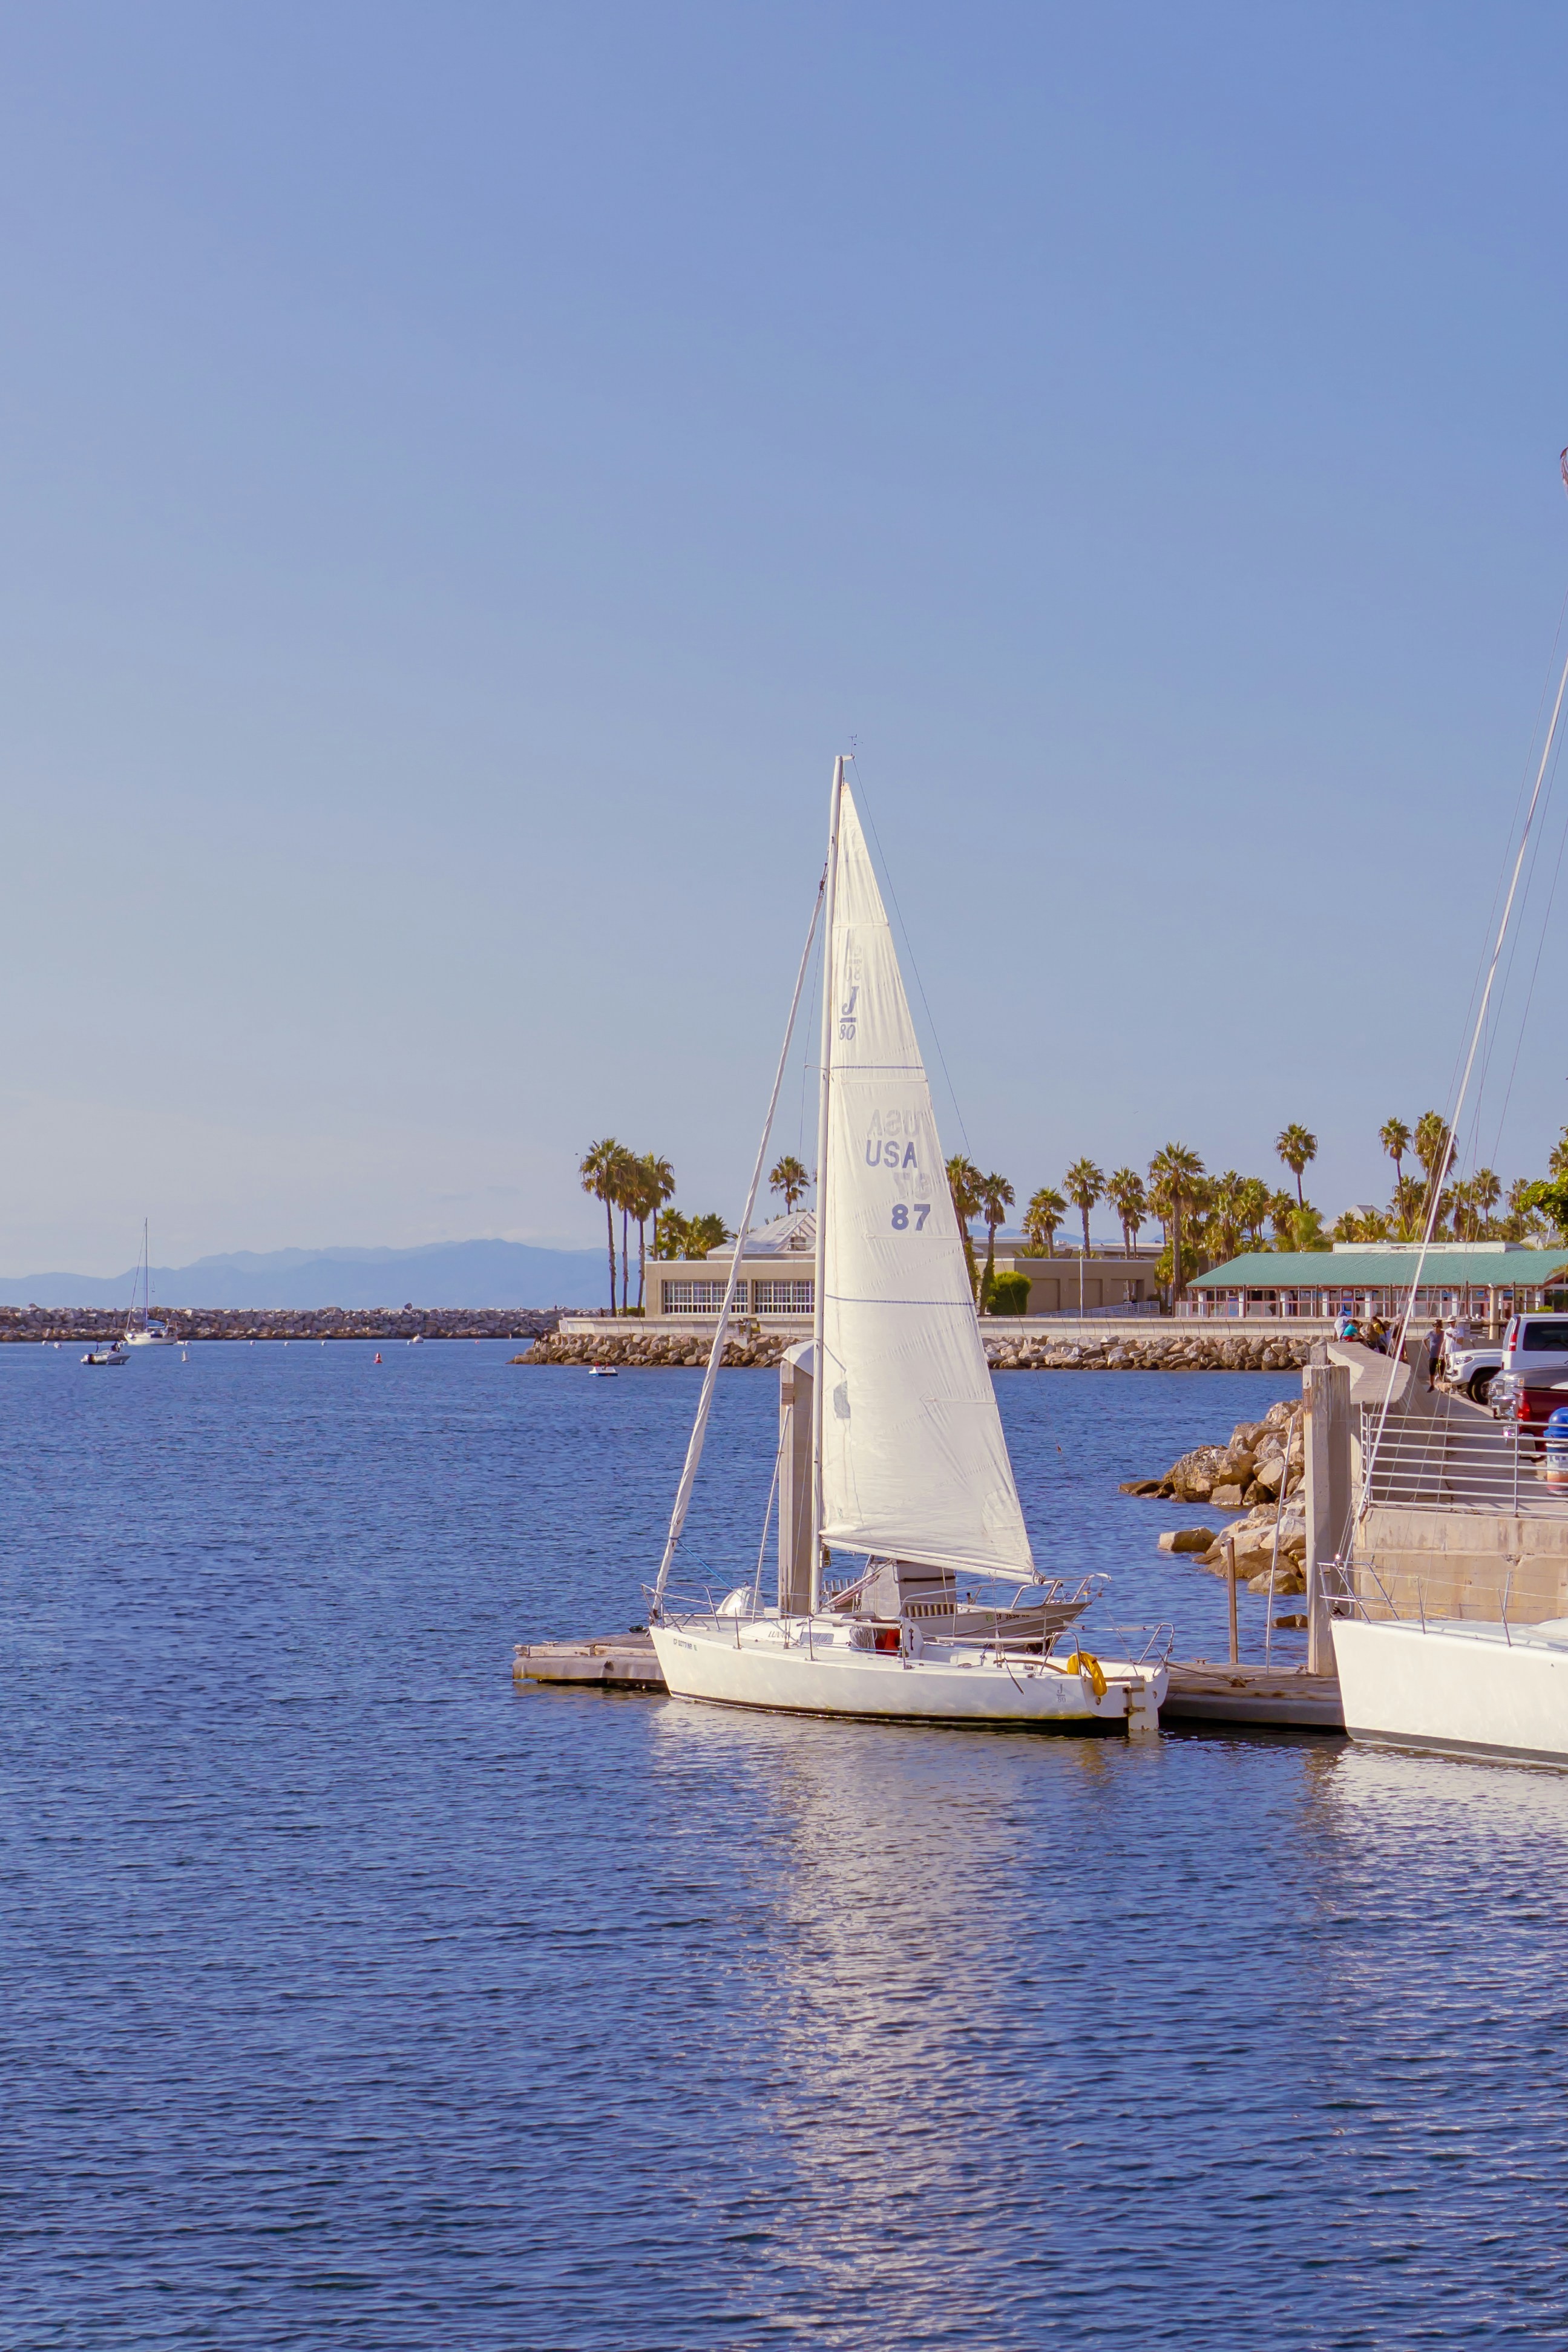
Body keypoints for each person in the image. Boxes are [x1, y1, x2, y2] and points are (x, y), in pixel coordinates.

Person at [1426, 1319, 1445, 1391]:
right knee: (1432, 1371)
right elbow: (1424, 1340)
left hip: (1440, 1356)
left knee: (1441, 1371)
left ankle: (1442, 1386)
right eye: (1434, 1326)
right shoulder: (1431, 1333)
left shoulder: (1443, 1333)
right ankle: (1432, 1385)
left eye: (1437, 1326)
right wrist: (1427, 1349)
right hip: (1433, 1355)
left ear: (1440, 1327)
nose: (1436, 1328)